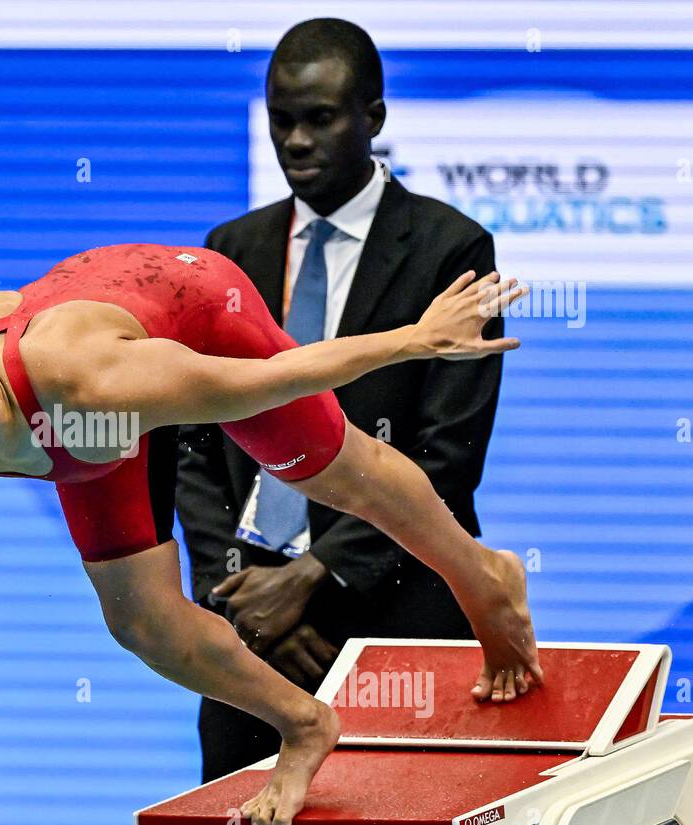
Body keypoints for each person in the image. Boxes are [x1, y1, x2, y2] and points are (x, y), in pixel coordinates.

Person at [0, 147, 542, 825]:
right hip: (83, 416)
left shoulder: (94, 384)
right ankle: (305, 725)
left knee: (333, 471)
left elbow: (277, 378)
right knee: (140, 623)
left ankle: (484, 575)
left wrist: (413, 340)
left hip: (191, 308)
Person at [177, 18, 513, 784]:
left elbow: (447, 459)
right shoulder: (227, 251)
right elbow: (190, 441)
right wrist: (235, 594)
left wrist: (312, 577)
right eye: (281, 120)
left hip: (397, 625)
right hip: (249, 641)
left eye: (320, 119)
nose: (296, 140)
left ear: (374, 119)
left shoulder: (451, 249)